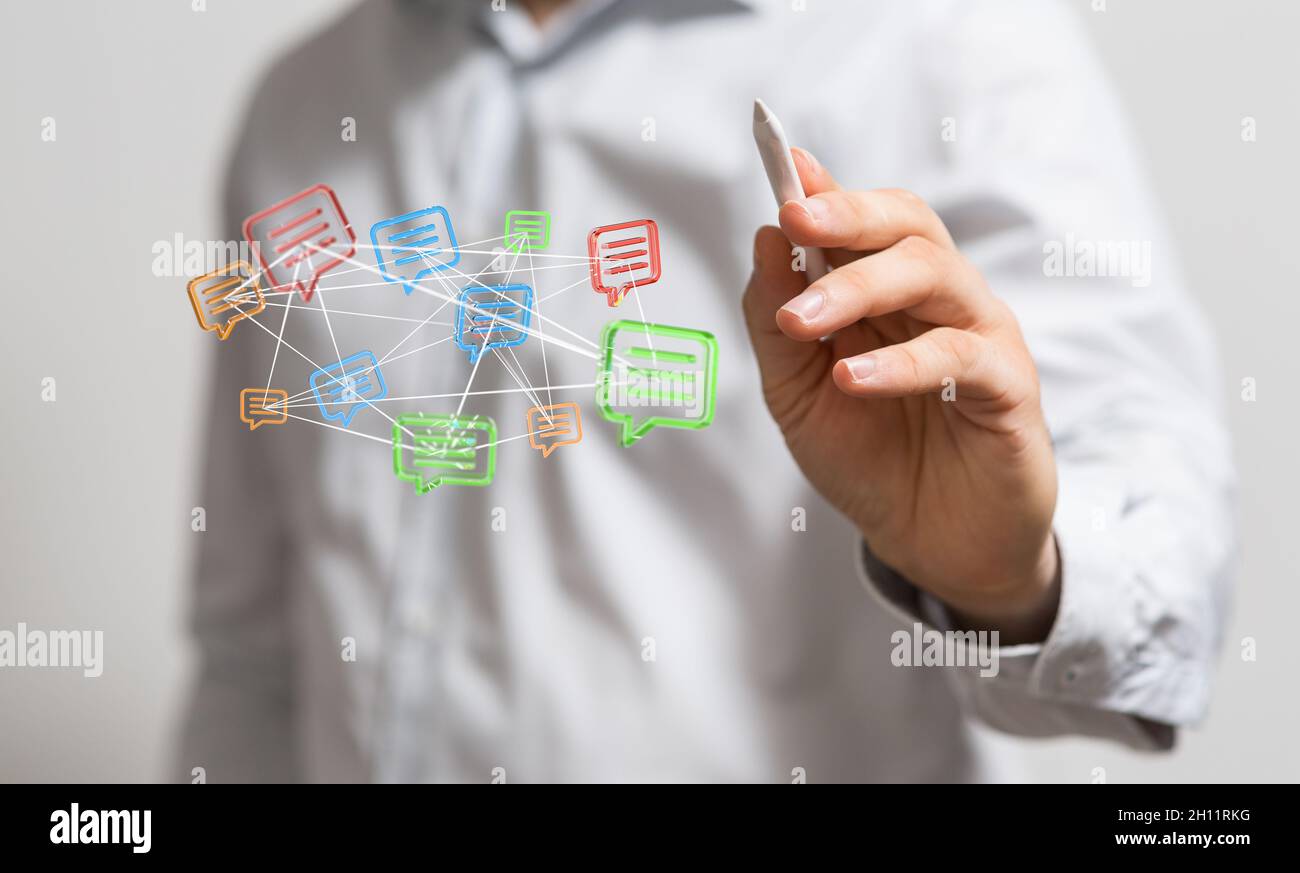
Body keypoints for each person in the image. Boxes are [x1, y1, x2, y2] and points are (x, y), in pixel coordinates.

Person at [180, 0, 1235, 782]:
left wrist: (1008, 578)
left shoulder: (945, 42)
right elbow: (252, 653)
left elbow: (1168, 565)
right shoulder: (304, 104)